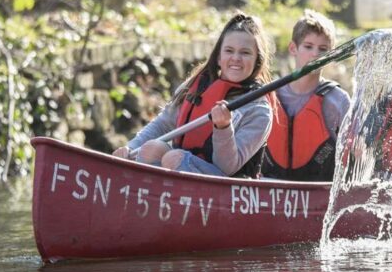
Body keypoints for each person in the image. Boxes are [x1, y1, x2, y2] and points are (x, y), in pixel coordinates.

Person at [113, 12, 274, 178]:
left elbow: (228, 167)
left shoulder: (259, 110)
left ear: (257, 61)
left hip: (226, 184)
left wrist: (224, 128)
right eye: (229, 51)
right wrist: (131, 148)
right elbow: (162, 124)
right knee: (150, 148)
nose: (236, 58)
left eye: (245, 53)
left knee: (173, 157)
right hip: (184, 166)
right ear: (219, 57)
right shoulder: (196, 86)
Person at [261, 10, 351, 181]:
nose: (315, 54)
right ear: (293, 48)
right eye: (308, 47)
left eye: (323, 49)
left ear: (331, 55)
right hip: (271, 189)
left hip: (319, 191)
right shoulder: (269, 95)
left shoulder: (338, 100)